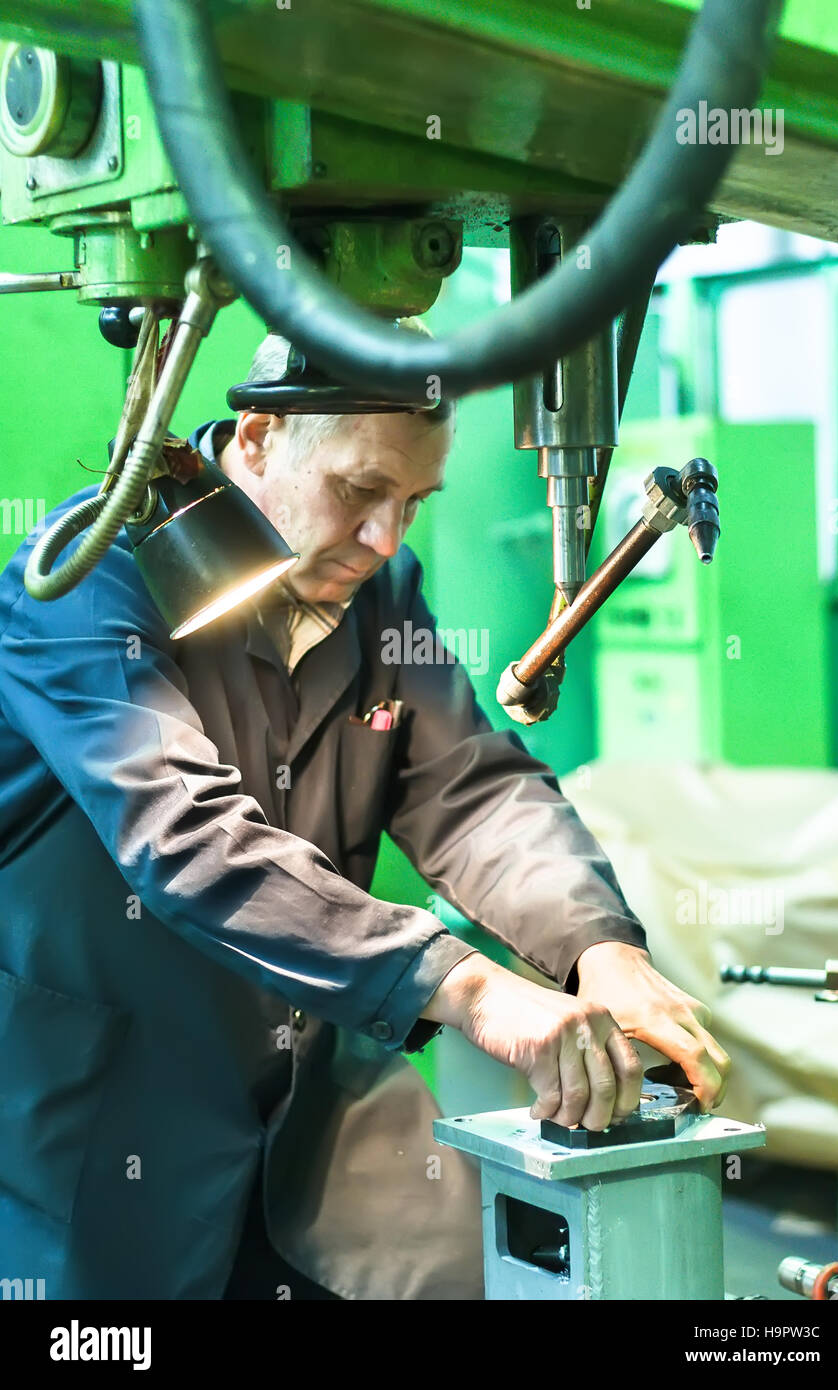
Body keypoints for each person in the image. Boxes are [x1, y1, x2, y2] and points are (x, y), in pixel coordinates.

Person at [0, 324, 730, 1301]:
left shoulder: (376, 592)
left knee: (483, 1278)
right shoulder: (86, 583)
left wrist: (598, 945)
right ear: (259, 434)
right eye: (359, 492)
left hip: (309, 1094)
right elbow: (186, 838)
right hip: (100, 1114)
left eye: (415, 502)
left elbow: (472, 791)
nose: (389, 536)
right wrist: (469, 987)